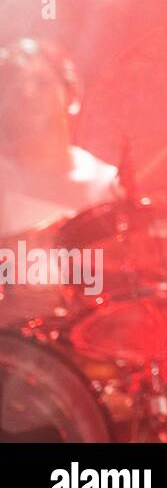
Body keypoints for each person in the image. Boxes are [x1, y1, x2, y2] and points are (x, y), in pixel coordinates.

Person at [0, 38, 125, 328]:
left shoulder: (105, 182)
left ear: (72, 97)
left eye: (41, 83)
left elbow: (123, 281)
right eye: (16, 87)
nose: (27, 94)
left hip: (88, 351)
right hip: (14, 351)